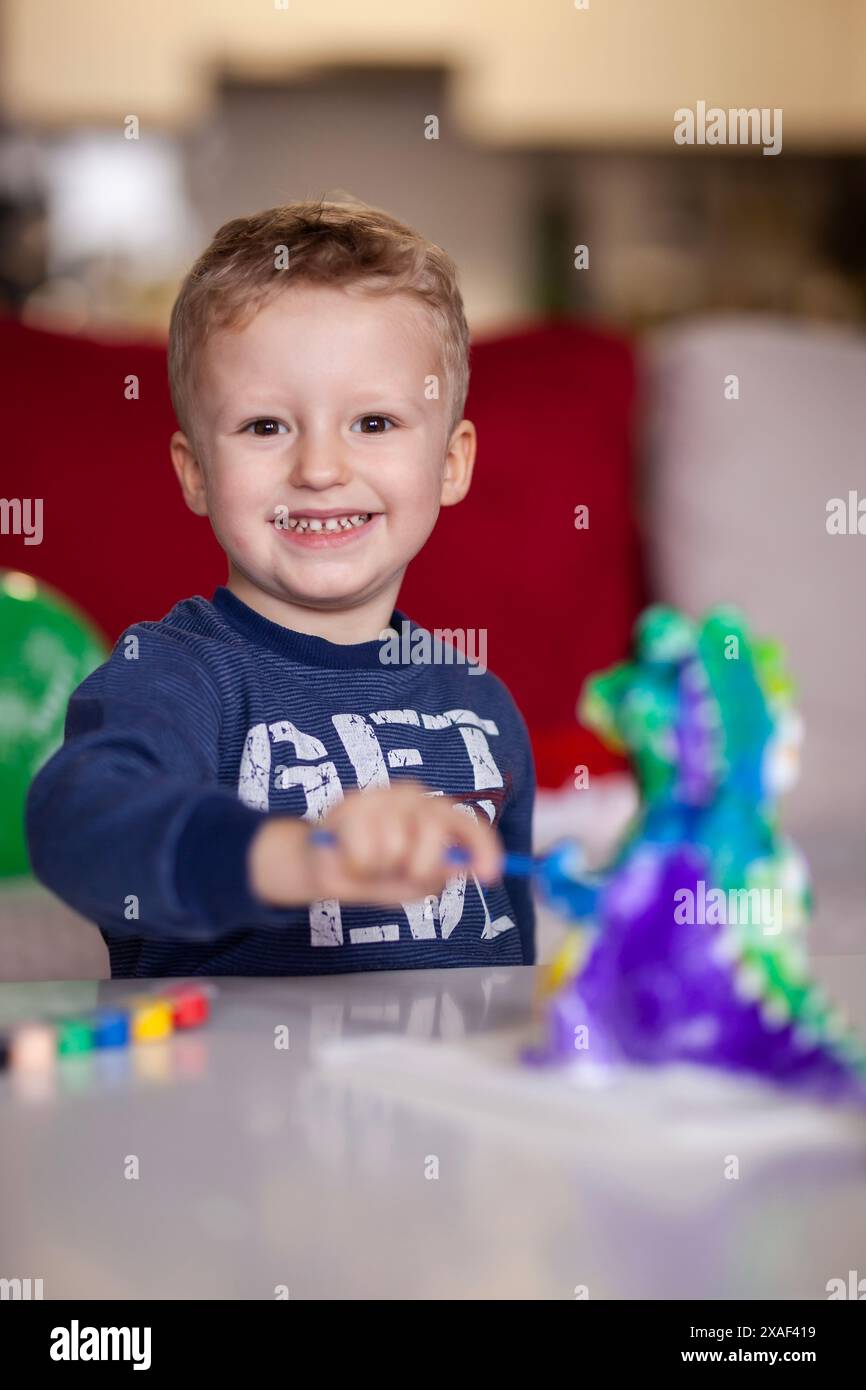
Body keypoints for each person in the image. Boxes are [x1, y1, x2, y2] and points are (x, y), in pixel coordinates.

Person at [26, 198, 536, 976]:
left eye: (373, 423)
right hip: (225, 1097)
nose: (321, 470)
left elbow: (512, 973)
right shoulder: (170, 677)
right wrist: (290, 858)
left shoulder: (484, 706)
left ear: (451, 463)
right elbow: (78, 824)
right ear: (195, 472)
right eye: (266, 426)